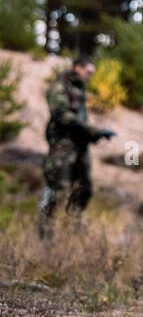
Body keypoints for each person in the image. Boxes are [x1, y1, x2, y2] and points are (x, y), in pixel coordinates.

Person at [39, 55, 114, 235]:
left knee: (84, 189)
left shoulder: (79, 89)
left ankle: (72, 228)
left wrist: (94, 135)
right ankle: (44, 232)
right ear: (77, 68)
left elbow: (78, 120)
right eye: (88, 71)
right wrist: (91, 130)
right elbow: (61, 115)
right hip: (63, 146)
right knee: (56, 189)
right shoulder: (60, 86)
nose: (90, 75)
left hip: (80, 147)